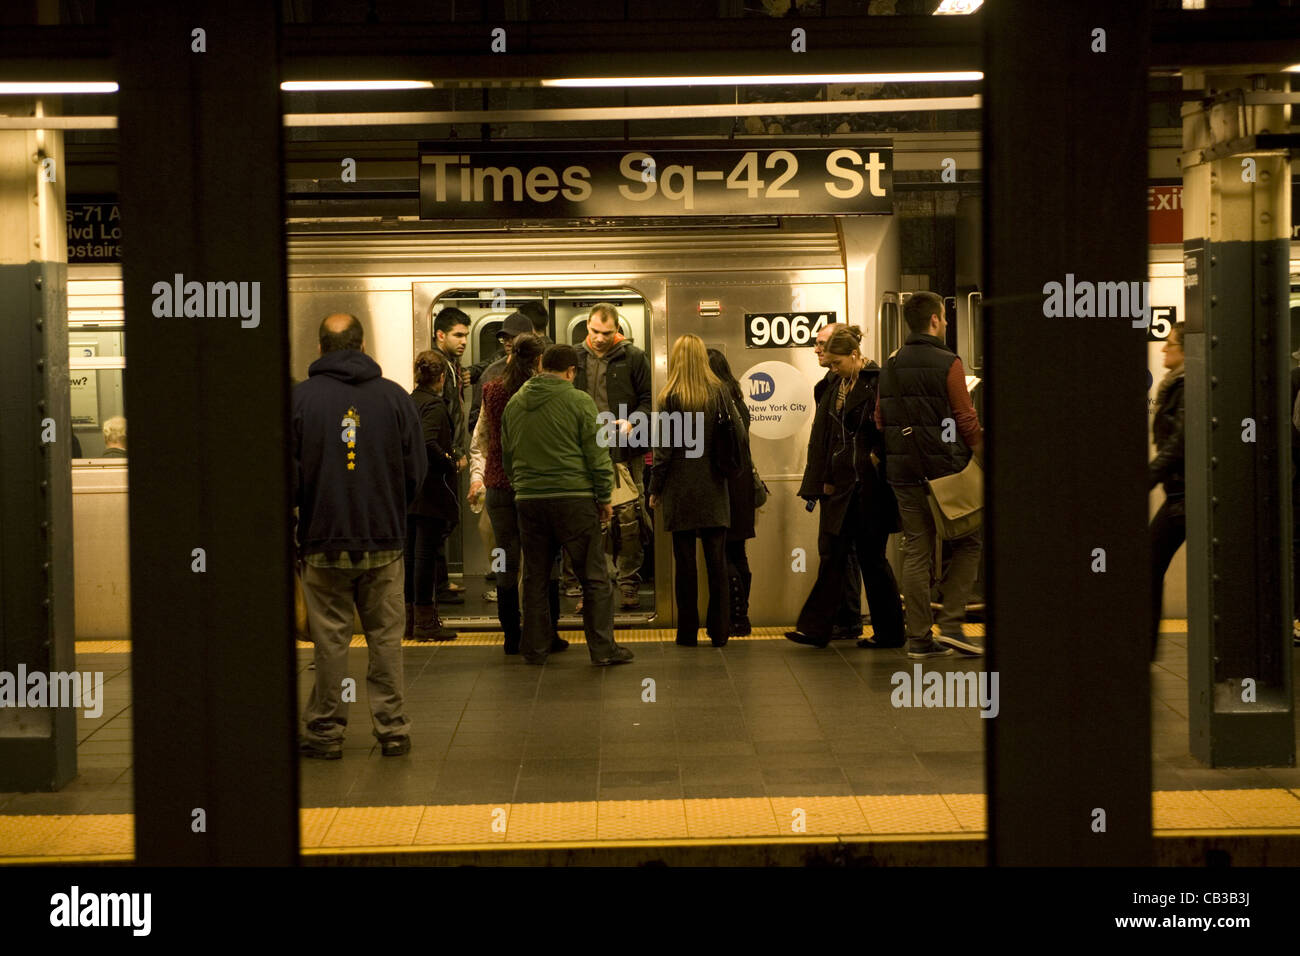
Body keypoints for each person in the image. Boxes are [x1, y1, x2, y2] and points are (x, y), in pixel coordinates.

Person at [293, 312, 426, 758]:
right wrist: (391, 509)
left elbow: (287, 479)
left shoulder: (299, 400)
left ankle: (326, 733)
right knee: (386, 639)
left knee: (329, 643)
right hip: (384, 541)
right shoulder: (394, 398)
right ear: (362, 345)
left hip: (321, 542)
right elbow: (416, 471)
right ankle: (392, 730)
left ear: (319, 349)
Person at [501, 344, 634, 666]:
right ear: (571, 372)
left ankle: (534, 648)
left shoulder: (515, 403)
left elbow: (507, 456)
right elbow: (597, 454)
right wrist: (604, 498)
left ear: (541, 366)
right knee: (593, 576)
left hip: (530, 501)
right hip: (573, 499)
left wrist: (523, 487)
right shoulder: (579, 401)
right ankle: (603, 650)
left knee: (534, 576)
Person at [875, 291, 984, 659]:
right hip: (945, 471)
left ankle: (919, 639)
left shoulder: (889, 364)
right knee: (969, 541)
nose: (947, 323)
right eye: (944, 317)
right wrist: (982, 455)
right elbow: (965, 419)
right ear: (935, 320)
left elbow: (880, 419)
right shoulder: (948, 361)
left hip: (903, 472)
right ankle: (952, 624)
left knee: (917, 549)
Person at [785, 326, 906, 650]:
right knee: (833, 556)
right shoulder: (833, 385)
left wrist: (876, 458)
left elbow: (891, 428)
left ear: (855, 356)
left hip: (870, 487)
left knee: (873, 560)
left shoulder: (878, 382)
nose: (832, 368)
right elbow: (822, 438)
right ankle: (816, 629)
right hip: (841, 486)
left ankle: (891, 632)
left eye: (837, 362)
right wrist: (819, 479)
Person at [470, 333, 567, 655]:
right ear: (539, 360)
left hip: (499, 487)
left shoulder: (492, 390)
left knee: (505, 563)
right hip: (538, 487)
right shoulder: (545, 394)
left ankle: (512, 636)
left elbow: (482, 437)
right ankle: (548, 633)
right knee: (544, 562)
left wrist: (484, 472)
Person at [648, 335, 734, 647]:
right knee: (716, 561)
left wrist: (655, 488)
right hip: (713, 484)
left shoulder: (670, 396)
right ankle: (720, 631)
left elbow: (664, 451)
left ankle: (687, 632)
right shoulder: (720, 392)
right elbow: (736, 434)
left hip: (680, 487)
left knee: (684, 563)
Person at [573, 303, 653, 610]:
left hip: (624, 449)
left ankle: (628, 581)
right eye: (594, 331)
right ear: (587, 327)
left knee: (628, 518)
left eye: (607, 333)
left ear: (617, 329)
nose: (600, 338)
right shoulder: (576, 357)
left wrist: (633, 420)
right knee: (589, 520)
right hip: (584, 451)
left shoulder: (633, 357)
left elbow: (647, 399)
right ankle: (592, 585)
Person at [813, 322, 866, 639]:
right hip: (835, 480)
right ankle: (836, 618)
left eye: (824, 345)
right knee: (834, 550)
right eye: (817, 346)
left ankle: (845, 618)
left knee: (845, 552)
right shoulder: (828, 386)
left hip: (851, 482)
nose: (819, 351)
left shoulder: (862, 384)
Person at [405, 348, 459, 642]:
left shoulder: (409, 401)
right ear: (440, 378)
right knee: (424, 557)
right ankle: (425, 622)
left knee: (412, 557)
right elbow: (427, 442)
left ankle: (410, 619)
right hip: (431, 492)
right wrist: (450, 462)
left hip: (410, 491)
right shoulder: (434, 407)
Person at [707, 348, 757, 637]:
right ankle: (741, 615)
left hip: (725, 483)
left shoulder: (717, 401)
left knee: (723, 550)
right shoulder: (736, 398)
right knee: (737, 550)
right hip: (742, 483)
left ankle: (736, 615)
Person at [1150, 323, 1186, 659]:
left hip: (1183, 498)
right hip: (1179, 494)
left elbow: (1178, 445)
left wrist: (1147, 477)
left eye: (1170, 344)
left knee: (1148, 563)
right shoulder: (1175, 386)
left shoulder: (1185, 387)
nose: (1163, 349)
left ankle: (1143, 648)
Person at [431, 306, 471, 604]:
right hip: (443, 455)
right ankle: (438, 586)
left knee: (445, 520)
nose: (464, 341)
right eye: (458, 335)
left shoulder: (453, 366)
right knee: (441, 522)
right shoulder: (439, 367)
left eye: (467, 336)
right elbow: (444, 414)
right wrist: (455, 451)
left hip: (450, 453)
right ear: (440, 335)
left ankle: (442, 581)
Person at [469, 311, 533, 435]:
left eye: (513, 337)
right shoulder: (492, 372)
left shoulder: (539, 368)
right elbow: (475, 417)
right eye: (505, 338)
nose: (508, 342)